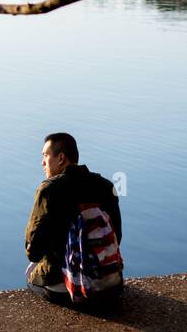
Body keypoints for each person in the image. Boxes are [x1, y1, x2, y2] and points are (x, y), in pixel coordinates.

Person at [24, 132, 124, 314]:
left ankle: (74, 289)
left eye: (46, 156)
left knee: (31, 275)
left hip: (66, 289)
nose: (42, 162)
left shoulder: (49, 190)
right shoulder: (105, 185)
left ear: (61, 158)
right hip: (110, 284)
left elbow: (34, 251)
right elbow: (118, 236)